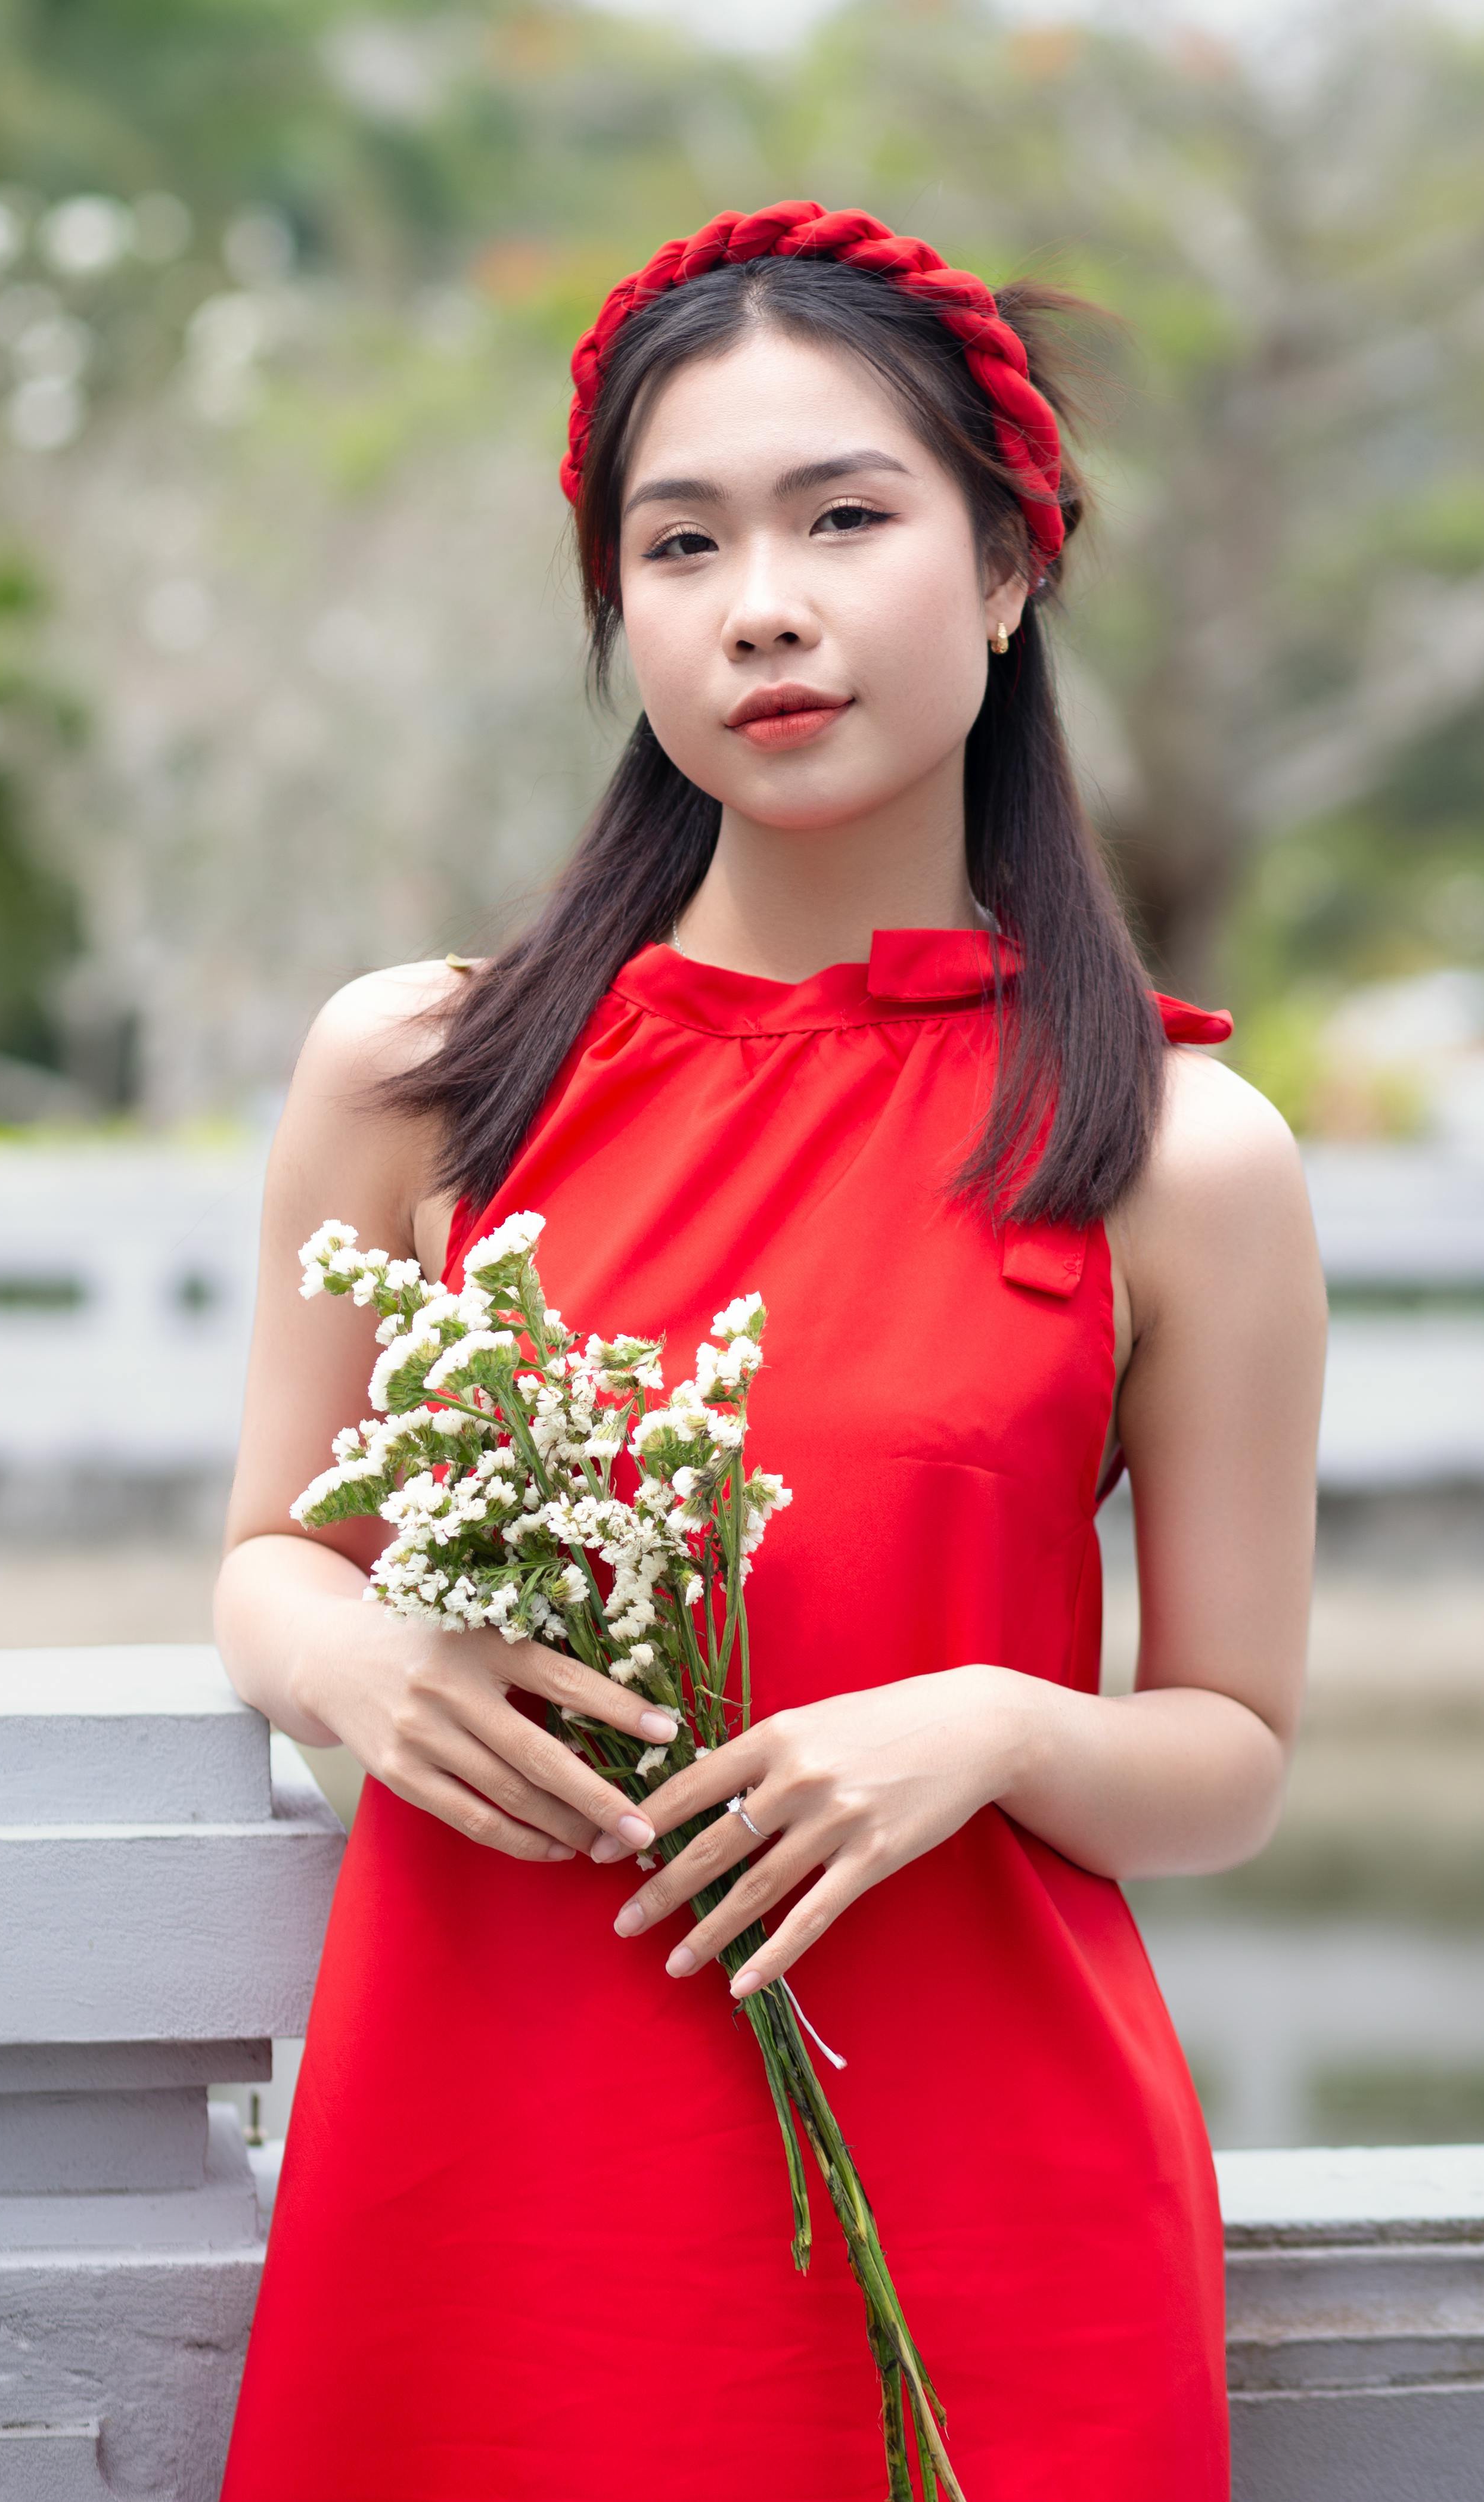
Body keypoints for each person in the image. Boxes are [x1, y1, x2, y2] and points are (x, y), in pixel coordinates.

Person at [215, 202, 1324, 2502]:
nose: (767, 604)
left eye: (848, 516)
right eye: (682, 542)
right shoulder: (427, 1076)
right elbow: (266, 1562)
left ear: (1012, 567)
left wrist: (999, 1723)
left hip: (980, 2220)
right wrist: (359, 1669)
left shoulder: (1173, 1156)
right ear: (621, 614)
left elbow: (1228, 1755)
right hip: (490, 2176)